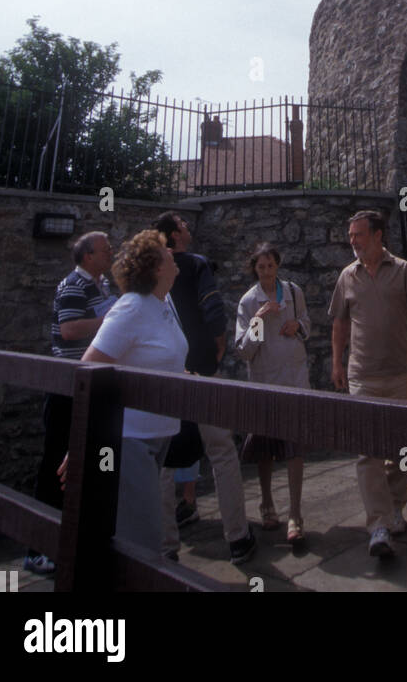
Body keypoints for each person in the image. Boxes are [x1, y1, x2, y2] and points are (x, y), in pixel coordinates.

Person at [65, 230, 189, 555]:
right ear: (155, 267)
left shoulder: (162, 305)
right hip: (129, 440)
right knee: (142, 541)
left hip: (160, 436)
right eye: (166, 251)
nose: (172, 253)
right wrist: (80, 442)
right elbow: (87, 369)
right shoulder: (130, 308)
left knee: (142, 535)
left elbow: (160, 358)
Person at [328, 210, 407, 558]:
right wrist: (337, 362)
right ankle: (378, 524)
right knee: (368, 452)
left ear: (378, 236)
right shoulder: (347, 276)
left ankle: (395, 506)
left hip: (402, 373)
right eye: (351, 236)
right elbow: (340, 323)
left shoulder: (403, 270)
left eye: (359, 235)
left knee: (405, 449)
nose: (353, 241)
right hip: (363, 375)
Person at [153, 213, 256, 565]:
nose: (188, 227)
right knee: (222, 452)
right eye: (183, 224)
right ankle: (238, 538)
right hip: (201, 371)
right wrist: (219, 342)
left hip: (168, 376)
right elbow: (213, 308)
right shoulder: (196, 265)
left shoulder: (153, 272)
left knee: (164, 460)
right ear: (173, 235)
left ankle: (166, 547)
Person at [23, 230, 114, 576]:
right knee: (54, 466)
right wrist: (110, 321)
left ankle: (77, 540)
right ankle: (38, 549)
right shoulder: (74, 284)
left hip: (90, 387)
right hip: (66, 389)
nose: (111, 253)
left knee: (89, 465)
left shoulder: (101, 286)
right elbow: (69, 330)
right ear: (88, 255)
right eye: (105, 250)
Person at [235, 242, 311, 543]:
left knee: (295, 447)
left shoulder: (292, 292)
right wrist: (260, 320)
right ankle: (267, 503)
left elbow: (307, 324)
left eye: (270, 265)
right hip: (265, 381)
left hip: (294, 378)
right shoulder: (248, 301)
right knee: (265, 448)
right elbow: (243, 350)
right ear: (255, 268)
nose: (266, 272)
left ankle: (295, 513)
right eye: (261, 267)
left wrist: (297, 325)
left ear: (277, 266)